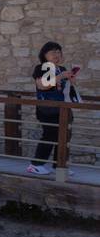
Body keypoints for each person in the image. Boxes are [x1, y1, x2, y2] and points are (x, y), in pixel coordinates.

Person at [27, 41, 82, 176]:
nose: (56, 54)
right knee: (50, 135)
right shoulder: (41, 68)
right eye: (53, 52)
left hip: (63, 109)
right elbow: (42, 85)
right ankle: (35, 165)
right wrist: (60, 77)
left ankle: (60, 166)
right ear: (44, 55)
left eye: (58, 51)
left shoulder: (62, 69)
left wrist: (71, 79)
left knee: (64, 137)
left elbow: (66, 88)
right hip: (48, 109)